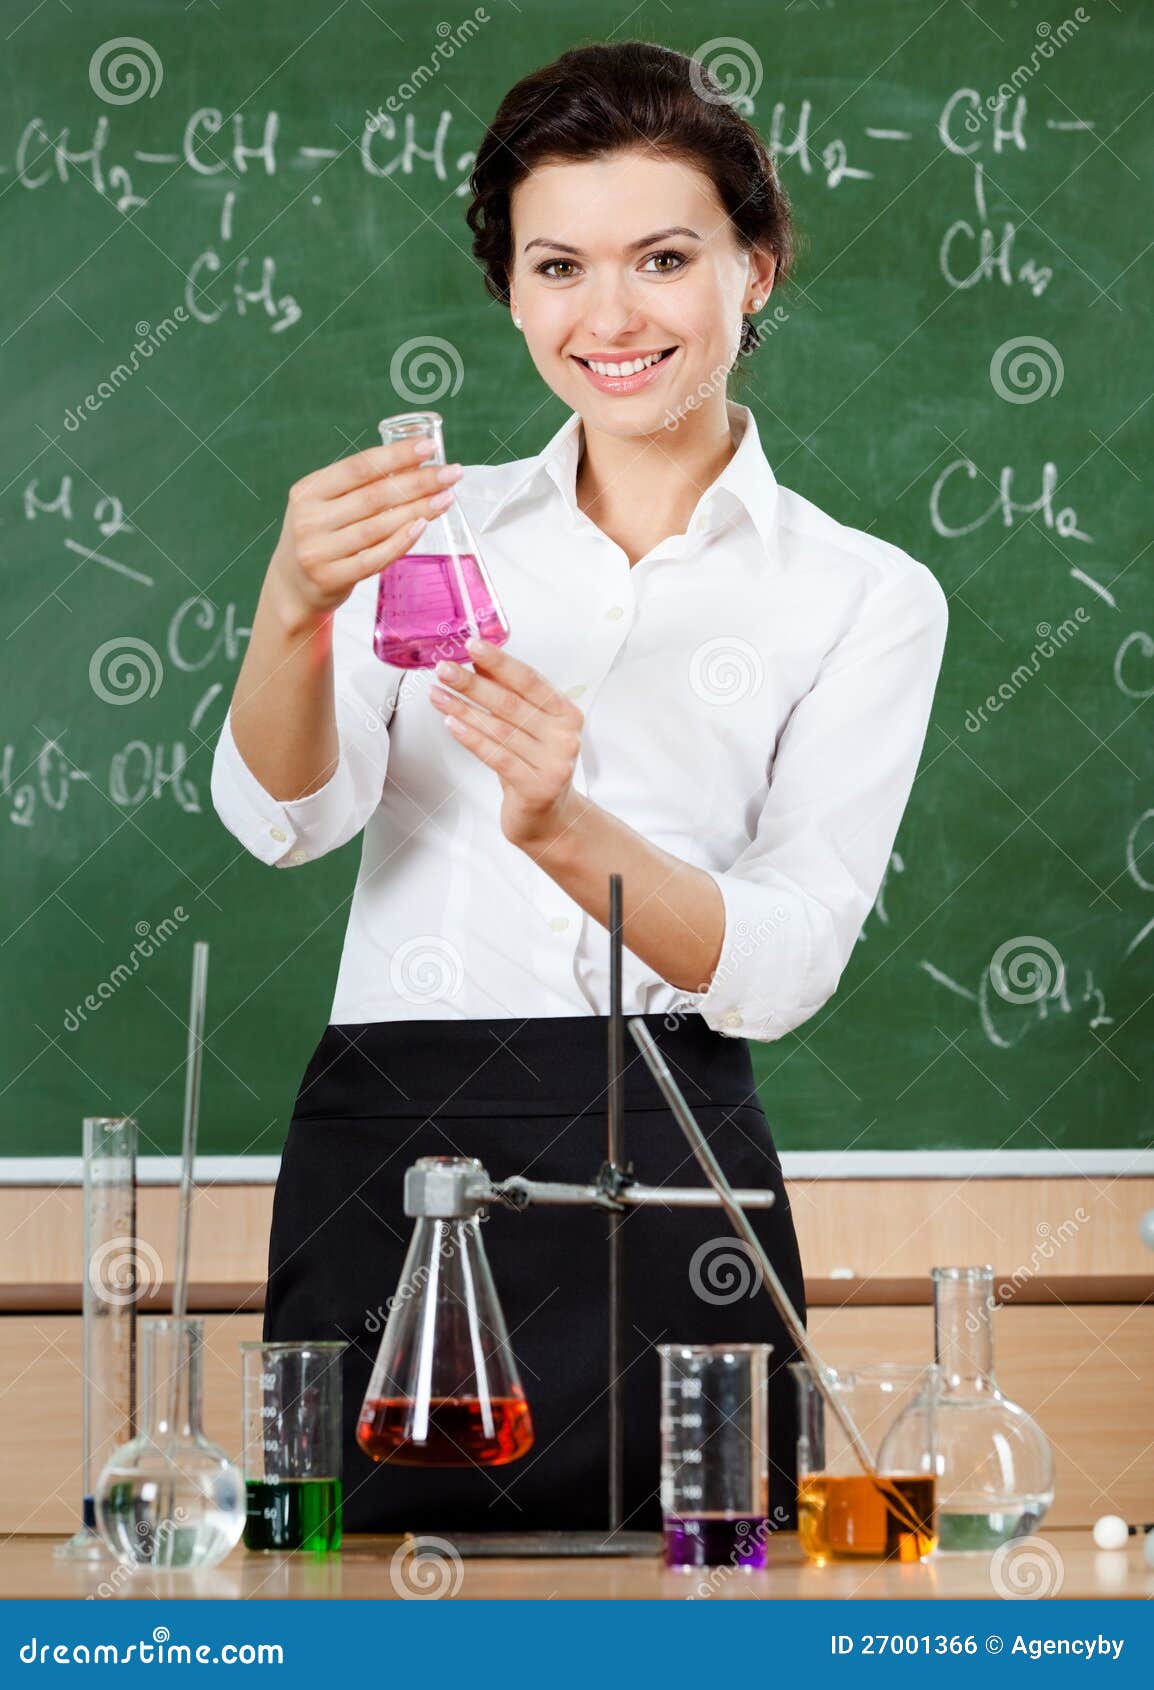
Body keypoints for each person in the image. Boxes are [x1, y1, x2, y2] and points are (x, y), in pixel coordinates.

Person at [211, 39, 948, 1536]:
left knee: (705, 1571)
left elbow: (784, 963)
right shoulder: (430, 529)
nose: (608, 316)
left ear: (754, 267)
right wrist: (289, 607)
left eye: (663, 257)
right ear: (510, 293)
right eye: (556, 267)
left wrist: (561, 827)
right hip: (392, 1133)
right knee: (347, 1579)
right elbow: (283, 818)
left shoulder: (865, 595)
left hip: (665, 1140)